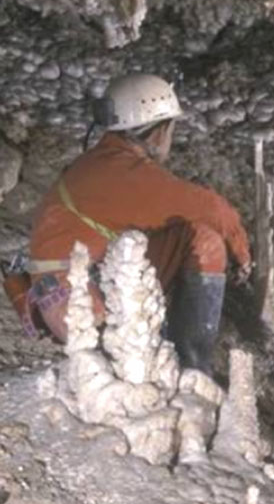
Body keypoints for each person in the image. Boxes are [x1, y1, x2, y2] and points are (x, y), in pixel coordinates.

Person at [17, 73, 252, 377]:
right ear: (158, 131)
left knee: (188, 236)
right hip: (80, 305)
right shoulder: (124, 173)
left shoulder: (99, 163)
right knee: (205, 239)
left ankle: (170, 348)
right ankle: (192, 368)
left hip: (57, 292)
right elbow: (211, 208)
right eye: (170, 129)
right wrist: (242, 255)